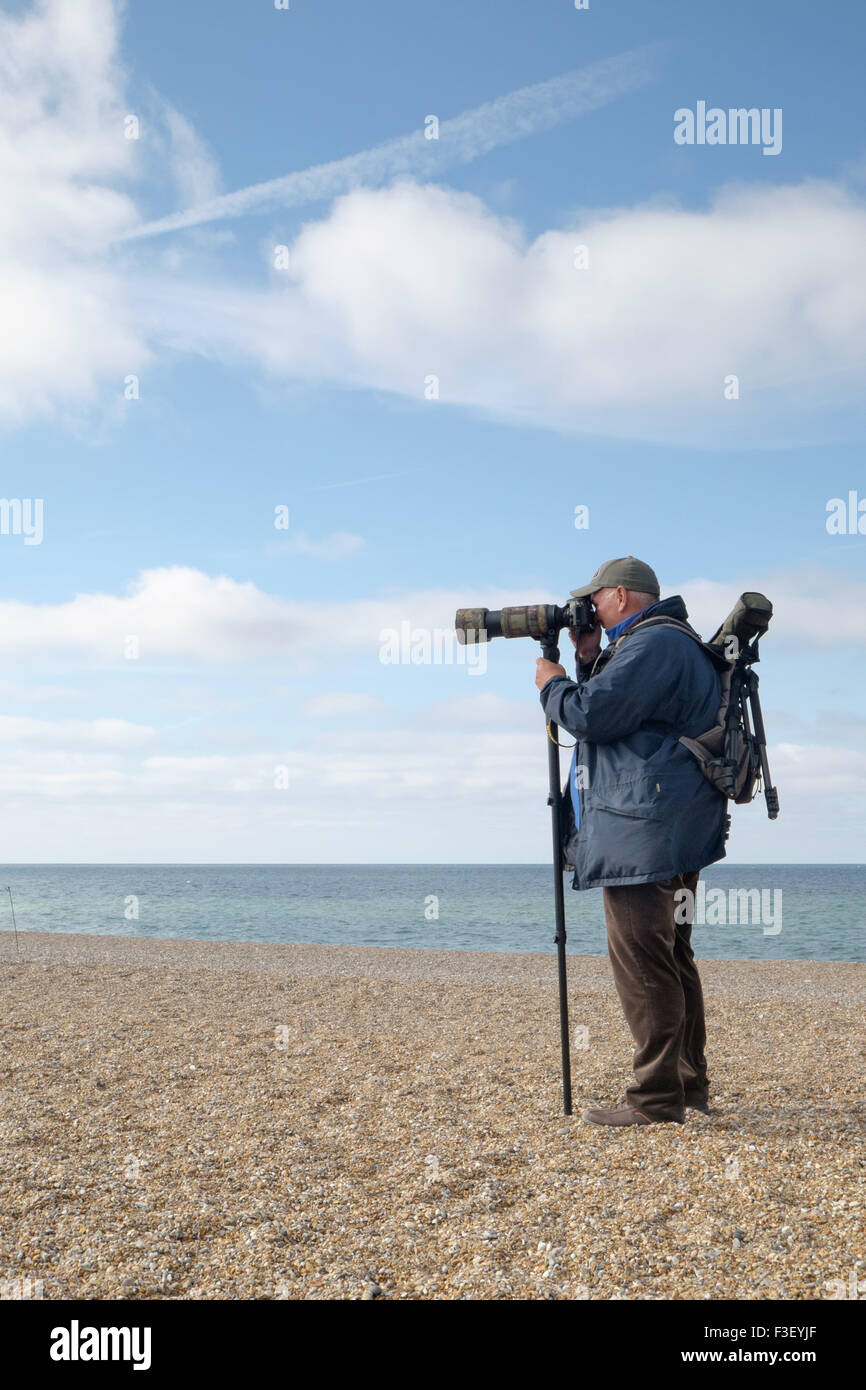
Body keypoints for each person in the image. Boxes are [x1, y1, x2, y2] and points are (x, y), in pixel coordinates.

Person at [534, 556, 727, 1127]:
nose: (589, 607)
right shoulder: (663, 641)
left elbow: (592, 715)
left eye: (595, 598)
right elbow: (628, 713)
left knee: (644, 959)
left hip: (643, 832)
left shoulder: (654, 644)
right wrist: (590, 656)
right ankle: (688, 1086)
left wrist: (553, 684)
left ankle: (655, 1099)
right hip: (672, 827)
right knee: (671, 954)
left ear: (621, 594)